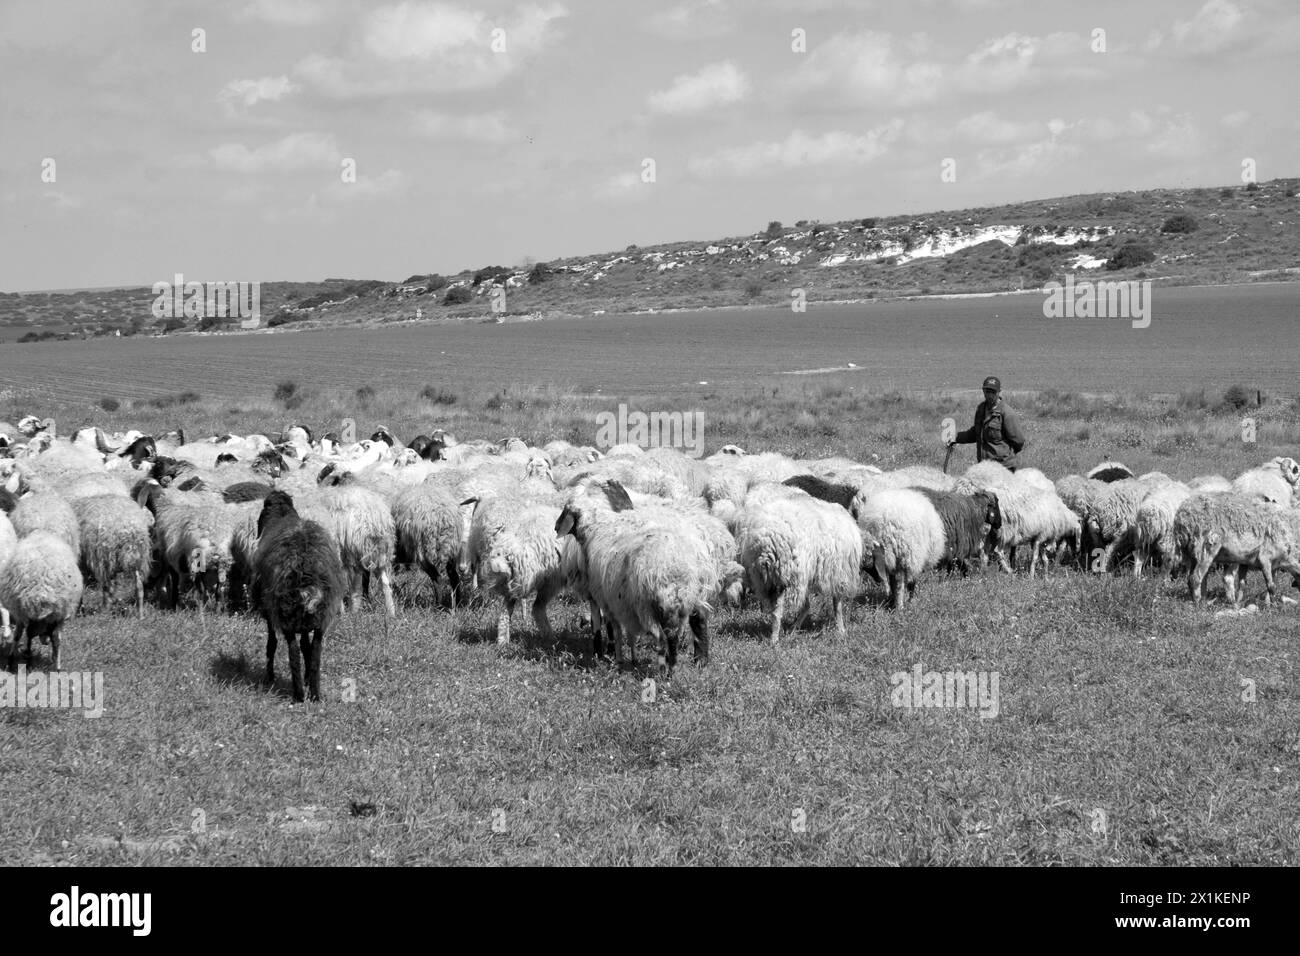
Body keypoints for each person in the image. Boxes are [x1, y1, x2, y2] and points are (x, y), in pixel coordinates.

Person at [949, 375, 1026, 471]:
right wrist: (955, 437)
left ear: (999, 392)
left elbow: (1019, 441)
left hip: (1004, 468)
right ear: (983, 391)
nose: (990, 395)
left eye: (993, 392)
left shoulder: (1007, 413)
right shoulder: (981, 409)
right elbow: (976, 433)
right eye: (987, 391)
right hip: (985, 467)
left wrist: (1006, 455)